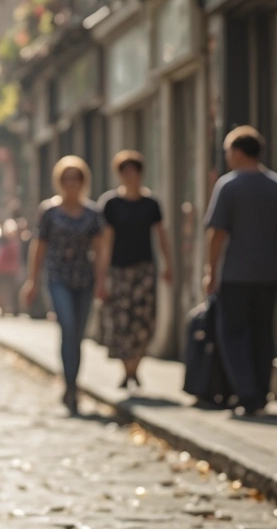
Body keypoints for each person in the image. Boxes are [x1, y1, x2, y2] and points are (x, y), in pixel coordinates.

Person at [204, 126, 277, 417]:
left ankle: (248, 394)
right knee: (263, 334)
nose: (227, 156)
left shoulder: (229, 186)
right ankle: (262, 390)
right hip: (267, 275)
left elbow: (216, 234)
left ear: (239, 152)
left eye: (228, 150)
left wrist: (210, 270)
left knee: (233, 334)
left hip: (235, 276)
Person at [21, 156, 105, 414]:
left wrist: (102, 282)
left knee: (77, 336)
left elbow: (100, 250)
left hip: (84, 280)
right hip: (57, 279)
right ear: (60, 181)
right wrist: (32, 281)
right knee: (67, 326)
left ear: (83, 181)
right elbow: (39, 247)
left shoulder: (92, 213)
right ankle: (69, 385)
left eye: (76, 178)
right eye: (66, 178)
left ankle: (72, 385)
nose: (71, 183)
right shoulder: (49, 211)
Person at [97, 151, 173, 389]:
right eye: (124, 171)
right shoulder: (111, 204)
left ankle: (135, 368)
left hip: (144, 270)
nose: (129, 176)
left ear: (140, 173)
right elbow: (105, 241)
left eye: (133, 171)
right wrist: (102, 276)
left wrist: (168, 264)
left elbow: (161, 236)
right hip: (119, 270)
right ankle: (127, 370)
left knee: (144, 320)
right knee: (121, 321)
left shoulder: (151, 204)